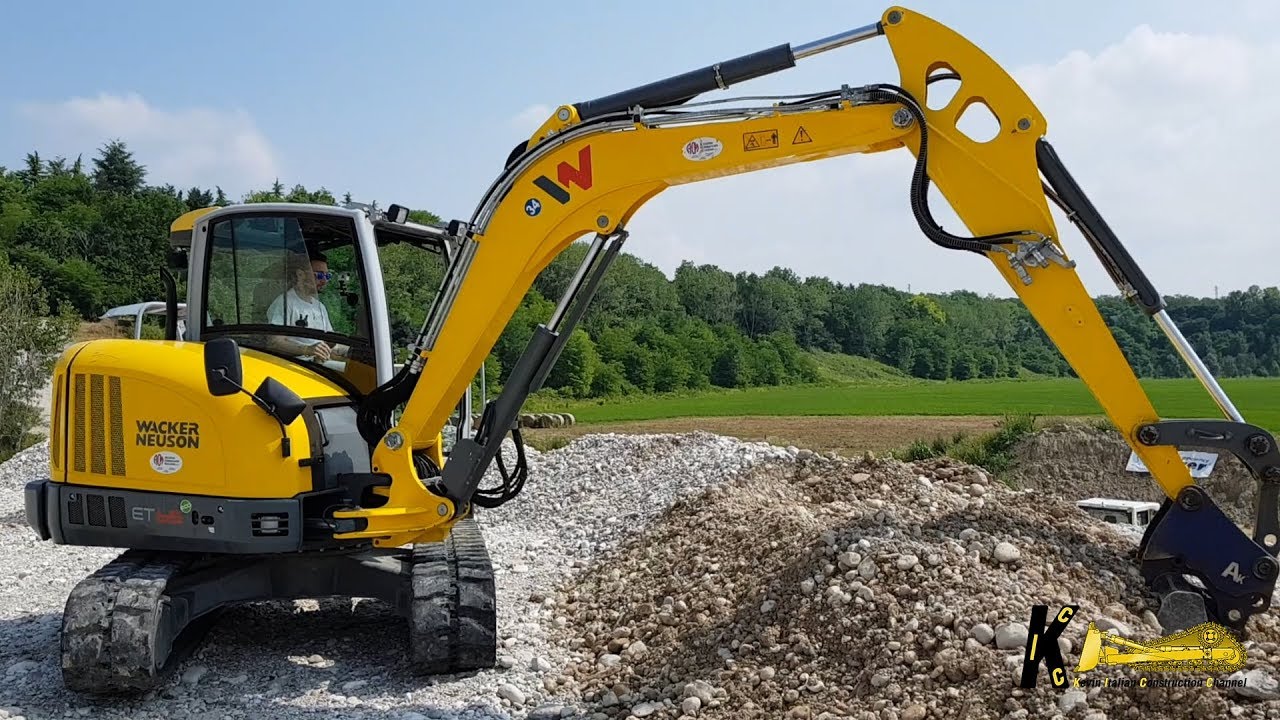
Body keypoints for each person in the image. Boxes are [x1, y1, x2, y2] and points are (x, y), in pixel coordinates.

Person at [266, 251, 347, 361]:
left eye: (327, 276)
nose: (324, 281)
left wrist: (345, 350)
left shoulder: (320, 307)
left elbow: (329, 344)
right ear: (300, 274)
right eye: (319, 275)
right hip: (298, 364)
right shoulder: (285, 302)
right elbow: (274, 342)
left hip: (321, 362)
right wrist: (307, 350)